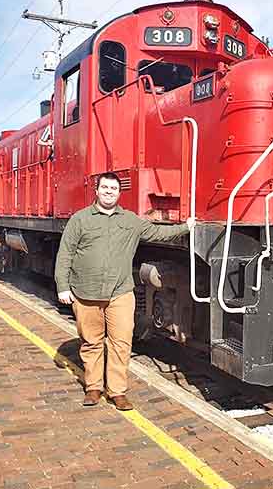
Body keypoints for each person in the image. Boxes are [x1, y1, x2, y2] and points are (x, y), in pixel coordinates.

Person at [55, 172, 195, 410]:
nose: (109, 192)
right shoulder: (80, 220)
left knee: (121, 342)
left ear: (119, 194)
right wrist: (63, 286)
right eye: (105, 188)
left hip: (120, 293)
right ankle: (93, 388)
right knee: (91, 342)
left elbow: (158, 233)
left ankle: (117, 391)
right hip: (85, 293)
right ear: (97, 191)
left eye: (114, 189)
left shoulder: (131, 220)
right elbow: (65, 253)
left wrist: (186, 227)